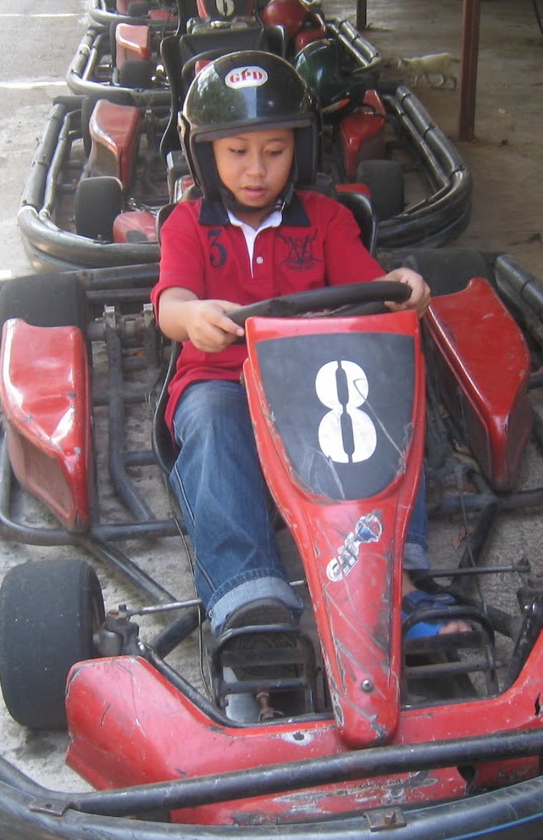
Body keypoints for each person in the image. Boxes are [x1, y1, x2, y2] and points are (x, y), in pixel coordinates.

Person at [152, 50, 439, 641]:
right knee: (210, 422)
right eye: (237, 152)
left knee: (390, 392)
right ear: (206, 154)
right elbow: (171, 304)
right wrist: (191, 315)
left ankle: (399, 579)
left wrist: (405, 287)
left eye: (275, 152)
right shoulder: (187, 225)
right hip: (223, 377)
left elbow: (375, 291)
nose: (256, 169)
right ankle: (248, 596)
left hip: (316, 377)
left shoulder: (327, 220)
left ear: (300, 151)